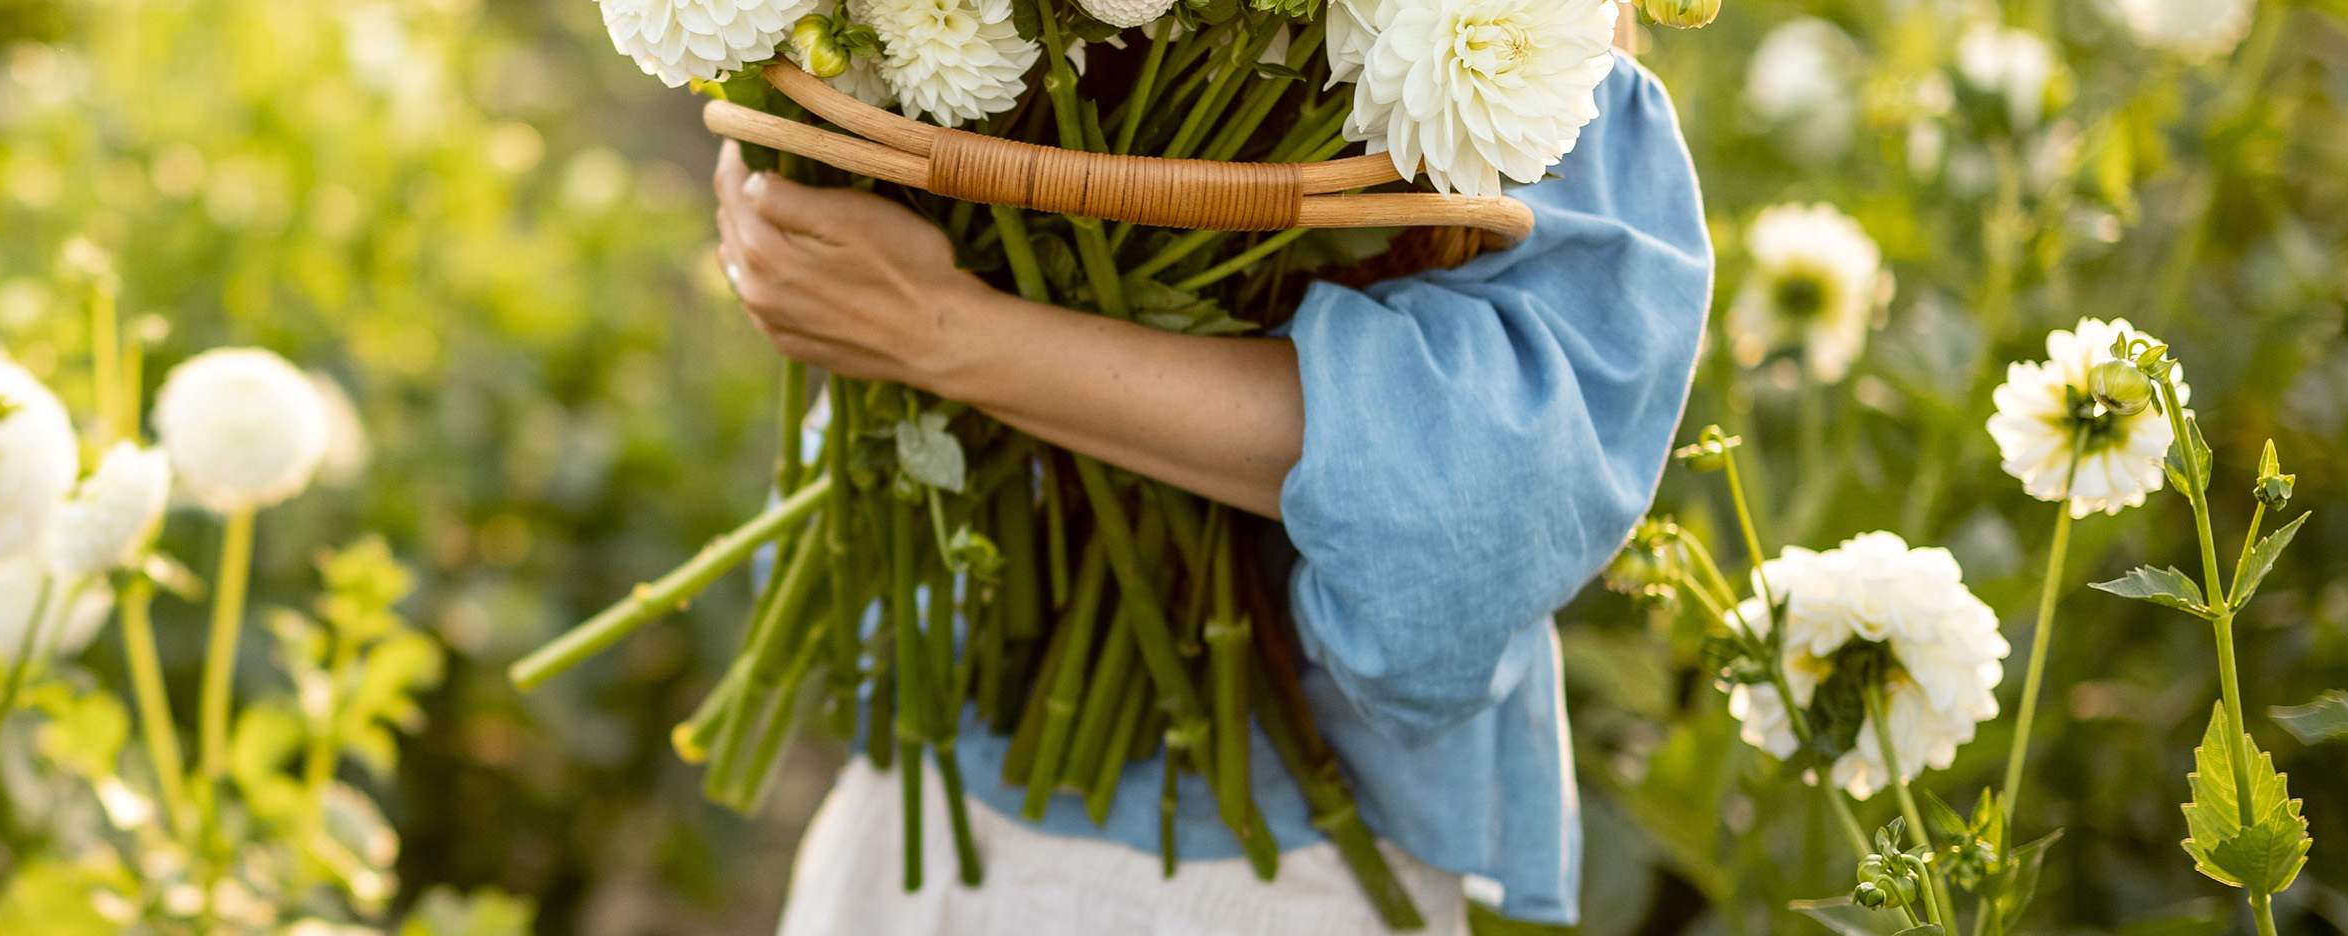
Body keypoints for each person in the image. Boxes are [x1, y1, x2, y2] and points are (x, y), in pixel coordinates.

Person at [712, 47, 1710, 935]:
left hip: (1258, 878)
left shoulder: (1527, 26)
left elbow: (1480, 485)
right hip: (911, 813)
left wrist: (944, 334)